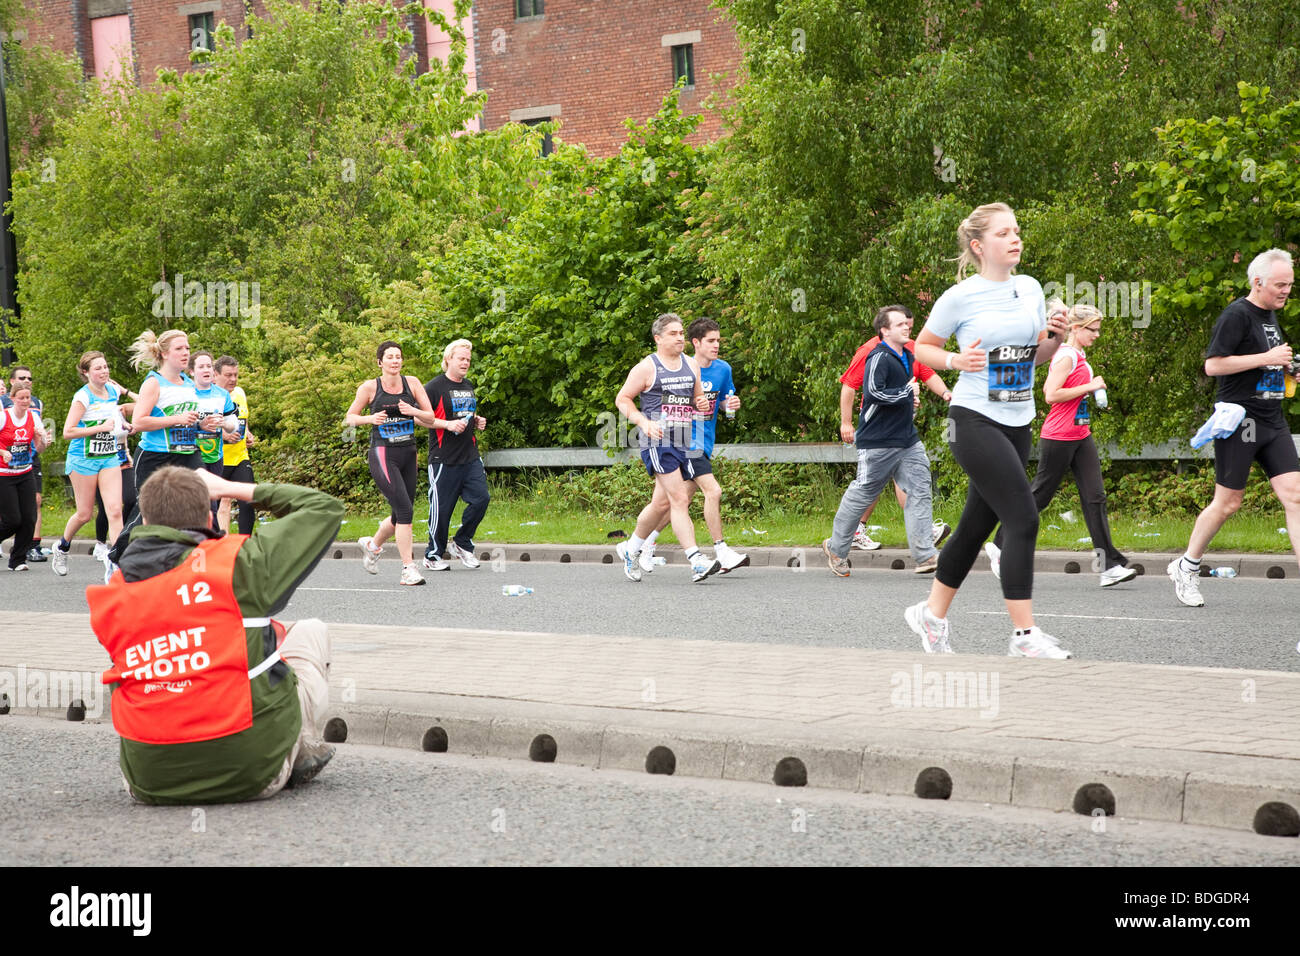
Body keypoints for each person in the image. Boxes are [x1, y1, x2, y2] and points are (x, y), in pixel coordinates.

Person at [86, 465, 343, 804]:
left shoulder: (111, 597)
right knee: (310, 632)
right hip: (253, 772)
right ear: (209, 518)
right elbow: (324, 508)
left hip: (149, 783)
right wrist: (229, 488)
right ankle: (299, 746)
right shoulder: (240, 565)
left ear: (144, 522)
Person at [906, 202, 1071, 658]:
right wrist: (955, 360)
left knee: (974, 526)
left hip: (1018, 420)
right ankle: (1024, 635)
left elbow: (1035, 356)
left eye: (1016, 231)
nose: (1015, 239)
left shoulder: (1030, 288)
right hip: (973, 419)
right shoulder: (960, 296)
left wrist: (1055, 337)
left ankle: (931, 615)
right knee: (1023, 517)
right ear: (979, 246)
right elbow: (922, 348)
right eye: (1003, 233)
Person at [1169, 248, 1297, 607]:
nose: (1286, 291)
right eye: (1280, 285)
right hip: (1242, 420)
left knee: (1295, 495)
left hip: (1272, 419)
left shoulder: (1271, 316)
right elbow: (1213, 366)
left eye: (1290, 284)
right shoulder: (1236, 315)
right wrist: (1267, 358)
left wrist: (1288, 369)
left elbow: (1268, 364)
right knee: (1228, 503)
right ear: (1258, 282)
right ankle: (1187, 566)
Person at [984, 303, 1136, 588]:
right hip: (1059, 437)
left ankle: (1109, 566)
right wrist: (1090, 387)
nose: (1097, 335)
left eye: (1098, 330)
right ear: (1076, 329)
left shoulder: (1078, 354)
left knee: (1095, 497)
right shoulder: (1066, 356)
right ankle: (1000, 546)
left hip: (1081, 435)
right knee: (1039, 496)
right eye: (1093, 330)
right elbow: (1051, 394)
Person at [823, 306, 941, 576]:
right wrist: (906, 393)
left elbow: (915, 384)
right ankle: (836, 548)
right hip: (878, 440)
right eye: (900, 324)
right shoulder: (877, 356)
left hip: (907, 440)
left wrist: (915, 399)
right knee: (864, 493)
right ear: (884, 330)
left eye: (907, 324)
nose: (907, 327)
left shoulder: (908, 354)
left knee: (920, 489)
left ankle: (925, 555)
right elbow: (874, 392)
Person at [613, 313, 721, 583]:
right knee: (680, 499)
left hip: (684, 440)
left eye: (681, 333)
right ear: (658, 338)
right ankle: (696, 560)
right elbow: (622, 399)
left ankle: (631, 549)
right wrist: (643, 422)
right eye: (673, 334)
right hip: (658, 441)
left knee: (660, 504)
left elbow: (697, 399)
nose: (680, 338)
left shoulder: (691, 365)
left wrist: (701, 404)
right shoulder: (647, 367)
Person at [635, 318, 748, 575]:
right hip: (686, 442)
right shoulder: (683, 368)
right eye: (711, 341)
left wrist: (728, 405)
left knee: (672, 502)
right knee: (713, 491)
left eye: (718, 340)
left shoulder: (723, 369)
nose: (716, 345)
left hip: (705, 442)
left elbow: (721, 402)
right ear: (696, 343)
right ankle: (720, 551)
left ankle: (641, 545)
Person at [107, 329, 222, 571]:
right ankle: (117, 558)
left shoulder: (188, 383)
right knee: (147, 512)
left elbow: (187, 420)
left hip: (188, 453)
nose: (186, 353)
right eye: (179, 349)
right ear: (164, 354)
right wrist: (177, 419)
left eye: (187, 348)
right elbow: (139, 422)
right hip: (155, 456)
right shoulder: (153, 383)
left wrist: (202, 424)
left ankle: (202, 559)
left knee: (203, 498)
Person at [344, 340, 437, 586]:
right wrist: (370, 419)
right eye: (390, 357)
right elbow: (350, 417)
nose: (395, 361)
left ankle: (373, 546)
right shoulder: (370, 387)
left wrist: (413, 411)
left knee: (399, 513)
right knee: (405, 511)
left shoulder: (412, 383)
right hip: (383, 454)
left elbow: (430, 417)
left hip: (408, 453)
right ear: (380, 362)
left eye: (398, 357)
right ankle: (408, 568)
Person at [51, 352, 135, 578]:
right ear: (86, 372)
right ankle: (62, 546)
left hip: (109, 457)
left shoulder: (113, 391)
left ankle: (117, 562)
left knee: (115, 510)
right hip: (83, 459)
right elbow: (68, 432)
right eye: (98, 368)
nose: (104, 371)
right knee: (84, 514)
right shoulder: (83, 397)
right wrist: (100, 427)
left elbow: (131, 407)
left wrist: (123, 422)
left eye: (105, 367)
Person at [421, 339, 490, 571]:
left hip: (469, 456)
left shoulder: (468, 385)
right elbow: (419, 418)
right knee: (441, 511)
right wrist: (447, 425)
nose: (465, 363)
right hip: (444, 459)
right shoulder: (434, 387)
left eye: (468, 359)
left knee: (481, 499)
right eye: (461, 358)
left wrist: (476, 421)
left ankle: (462, 543)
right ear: (448, 359)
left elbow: (465, 413)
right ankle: (432, 556)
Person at [2, 366, 51, 563]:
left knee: (29, 518)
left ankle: (18, 560)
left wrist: (43, 441)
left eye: (28, 398)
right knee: (12, 520)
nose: (25, 402)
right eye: (21, 398)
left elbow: (39, 449)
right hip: (4, 474)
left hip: (25, 472)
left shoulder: (33, 417)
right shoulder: (4, 416)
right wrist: (3, 452)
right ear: (13, 398)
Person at [215, 356, 256, 535]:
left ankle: (244, 544)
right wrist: (224, 435)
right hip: (217, 459)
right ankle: (213, 543)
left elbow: (243, 419)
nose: (233, 379)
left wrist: (247, 433)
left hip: (240, 457)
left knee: (249, 500)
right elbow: (199, 427)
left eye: (235, 375)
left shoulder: (239, 392)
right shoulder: (210, 396)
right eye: (228, 375)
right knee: (214, 507)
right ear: (216, 375)